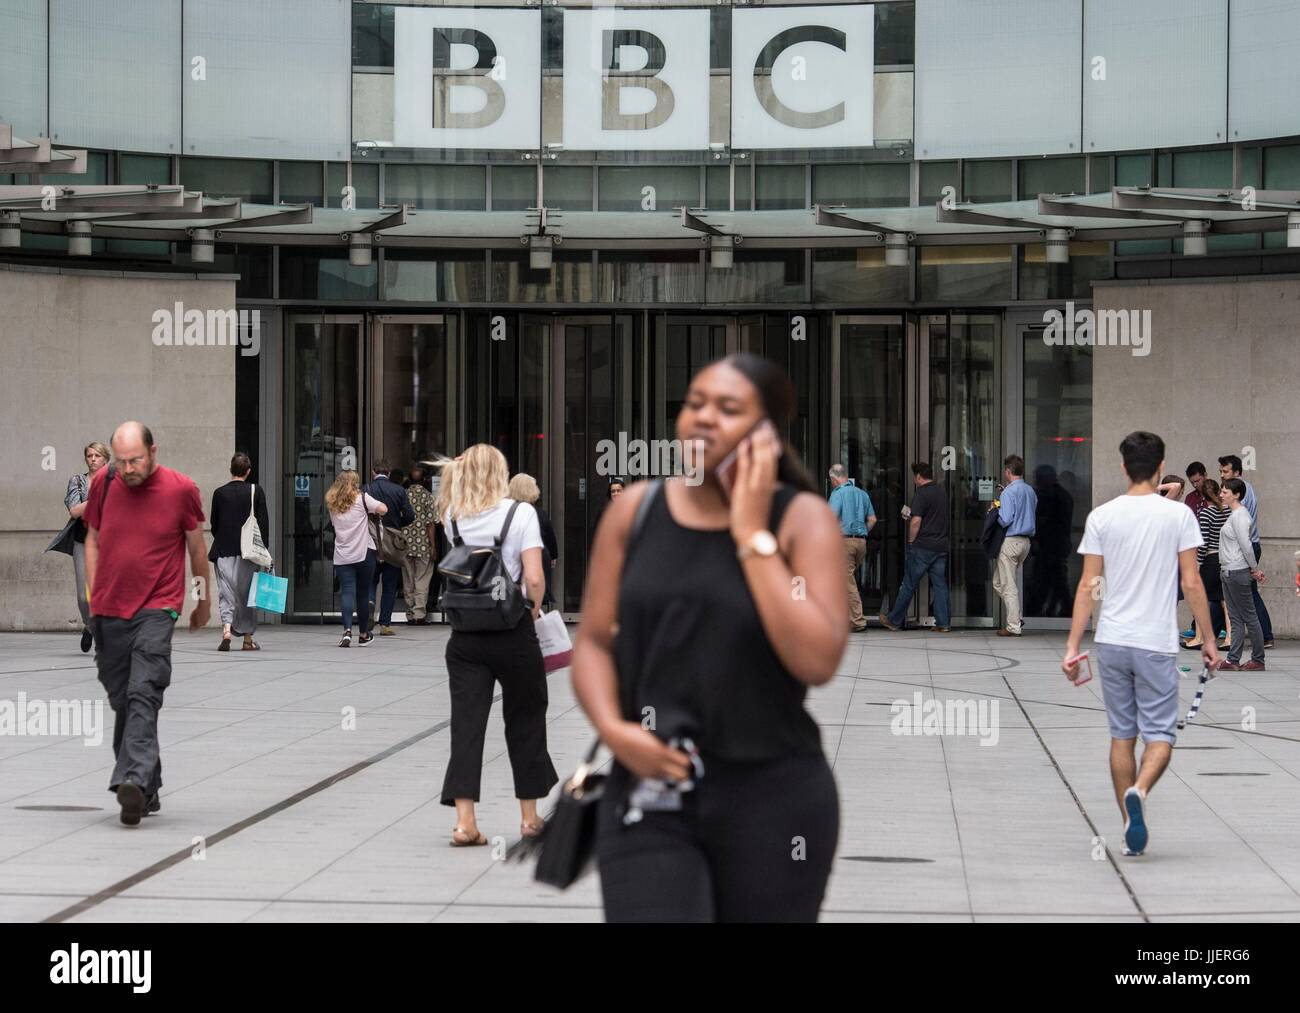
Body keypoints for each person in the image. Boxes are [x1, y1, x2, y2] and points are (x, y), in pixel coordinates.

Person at [572, 353, 847, 922]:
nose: (703, 418)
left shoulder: (802, 520)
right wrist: (614, 731)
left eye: (727, 408)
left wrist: (751, 534)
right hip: (650, 792)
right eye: (695, 403)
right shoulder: (635, 512)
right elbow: (595, 641)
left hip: (774, 796)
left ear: (765, 430)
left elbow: (816, 658)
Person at [1063, 431, 1217, 858]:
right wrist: (1207, 639)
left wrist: (1074, 644)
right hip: (1155, 642)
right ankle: (1141, 791)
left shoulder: (1102, 516)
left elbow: (1089, 586)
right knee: (1160, 735)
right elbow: (1191, 580)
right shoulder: (1177, 516)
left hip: (1112, 640)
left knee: (1120, 737)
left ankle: (1129, 820)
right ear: (1161, 462)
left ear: (1122, 465)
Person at [84, 422, 209, 826]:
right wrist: (92, 594)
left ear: (153, 451)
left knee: (143, 690)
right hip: (108, 611)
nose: (128, 468)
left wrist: (201, 599)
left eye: (135, 459)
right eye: (121, 462)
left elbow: (195, 545)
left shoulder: (180, 489)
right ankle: (146, 785)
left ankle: (132, 780)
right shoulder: (103, 483)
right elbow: (92, 538)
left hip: (158, 607)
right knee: (122, 699)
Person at [439, 445, 557, 846]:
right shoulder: (520, 513)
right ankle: (528, 818)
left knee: (466, 725)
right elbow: (536, 577)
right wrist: (534, 609)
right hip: (513, 632)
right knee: (526, 718)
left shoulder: (452, 515)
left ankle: (465, 822)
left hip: (465, 637)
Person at [207, 452, 270, 652]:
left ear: (230, 470)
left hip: (223, 550)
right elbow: (263, 524)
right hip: (248, 552)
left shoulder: (219, 493)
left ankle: (226, 629)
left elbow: (214, 524)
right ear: (248, 471)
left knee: (226, 593)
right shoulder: (256, 491)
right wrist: (264, 551)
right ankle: (247, 639)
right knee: (247, 595)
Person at [879, 462, 950, 632]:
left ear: (918, 476)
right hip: (940, 546)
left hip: (923, 546)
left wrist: (911, 542)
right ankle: (943, 623)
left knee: (909, 583)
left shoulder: (922, 493)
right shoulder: (942, 492)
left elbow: (916, 521)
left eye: (914, 476)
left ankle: (894, 620)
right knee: (940, 585)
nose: (914, 479)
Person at [53, 441, 110, 653]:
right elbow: (75, 511)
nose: (93, 459)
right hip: (82, 542)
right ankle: (89, 625)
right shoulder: (77, 481)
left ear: (105, 459)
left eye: (97, 456)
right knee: (83, 596)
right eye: (89, 456)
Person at [326, 470, 387, 648]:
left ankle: (346, 631)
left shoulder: (332, 502)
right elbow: (384, 508)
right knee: (362, 593)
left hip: (342, 554)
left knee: (346, 592)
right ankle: (363, 634)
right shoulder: (362, 499)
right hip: (363, 553)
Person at [1218, 455, 1272, 649]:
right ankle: (1238, 652)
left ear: (1237, 474)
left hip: (1244, 556)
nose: (1222, 476)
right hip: (1239, 557)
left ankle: (1264, 639)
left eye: (1226, 472)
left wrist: (1254, 569)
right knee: (1240, 608)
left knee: (1249, 601)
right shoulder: (1237, 503)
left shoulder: (1240, 504)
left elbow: (1245, 541)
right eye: (1221, 471)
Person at [365, 459, 414, 636]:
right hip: (392, 542)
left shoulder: (366, 489)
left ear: (373, 472)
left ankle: (369, 604)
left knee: (370, 579)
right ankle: (385, 623)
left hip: (372, 541)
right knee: (390, 583)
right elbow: (410, 515)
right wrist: (396, 524)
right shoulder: (399, 490)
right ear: (389, 472)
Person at [990, 454, 1037, 637]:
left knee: (1008, 586)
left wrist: (995, 510)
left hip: (1010, 541)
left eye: (1005, 471)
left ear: (1008, 471)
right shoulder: (1030, 490)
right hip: (1025, 542)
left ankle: (1013, 625)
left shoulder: (1008, 492)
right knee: (998, 582)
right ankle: (1015, 616)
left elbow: (1005, 519)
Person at [827, 462, 876, 632]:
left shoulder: (837, 494)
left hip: (844, 542)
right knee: (846, 579)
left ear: (834, 479)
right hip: (861, 542)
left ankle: (858, 620)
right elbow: (872, 520)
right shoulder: (862, 494)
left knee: (847, 582)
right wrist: (861, 533)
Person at [1183, 478, 1229, 651]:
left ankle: (1199, 637)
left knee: (1200, 599)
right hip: (1225, 559)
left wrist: (1198, 564)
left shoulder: (1205, 513)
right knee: (1225, 602)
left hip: (1210, 560)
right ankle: (1230, 638)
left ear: (1202, 497)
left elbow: (1203, 543)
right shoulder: (1227, 511)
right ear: (1218, 492)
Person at [509, 473, 558, 610]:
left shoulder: (507, 512)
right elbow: (550, 537)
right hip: (537, 557)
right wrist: (553, 556)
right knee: (535, 597)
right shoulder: (538, 513)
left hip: (514, 558)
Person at [400, 466, 438, 624]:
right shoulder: (428, 497)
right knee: (422, 579)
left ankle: (409, 612)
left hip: (405, 544)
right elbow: (430, 524)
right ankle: (419, 614)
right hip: (423, 544)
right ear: (424, 480)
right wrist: (433, 546)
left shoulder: (404, 495)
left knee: (408, 579)